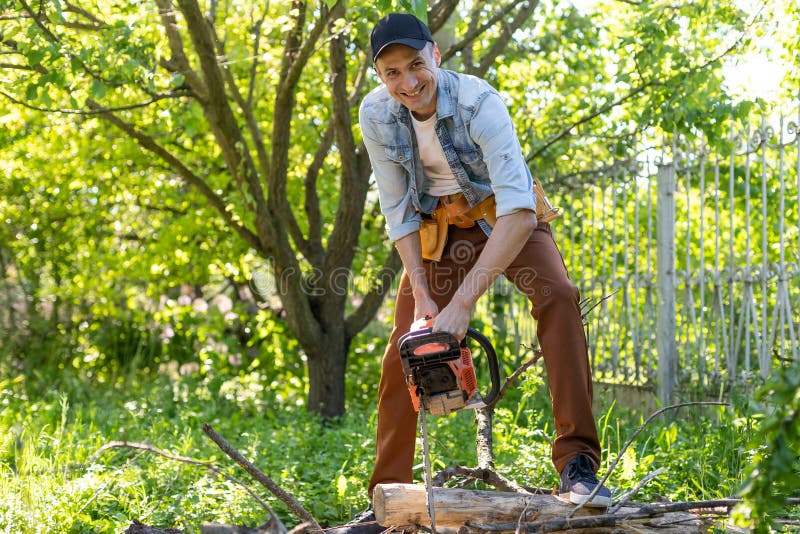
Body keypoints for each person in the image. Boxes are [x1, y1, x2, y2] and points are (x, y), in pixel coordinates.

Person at [336, 12, 611, 532]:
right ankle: (387, 497)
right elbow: (397, 211)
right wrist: (424, 296)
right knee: (405, 340)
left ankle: (577, 465)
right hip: (437, 228)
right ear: (379, 77)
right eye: (392, 73)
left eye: (416, 65)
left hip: (504, 218)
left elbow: (519, 207)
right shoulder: (375, 115)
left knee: (558, 296)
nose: (408, 82)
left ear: (435, 56)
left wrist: (462, 303)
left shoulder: (479, 102)